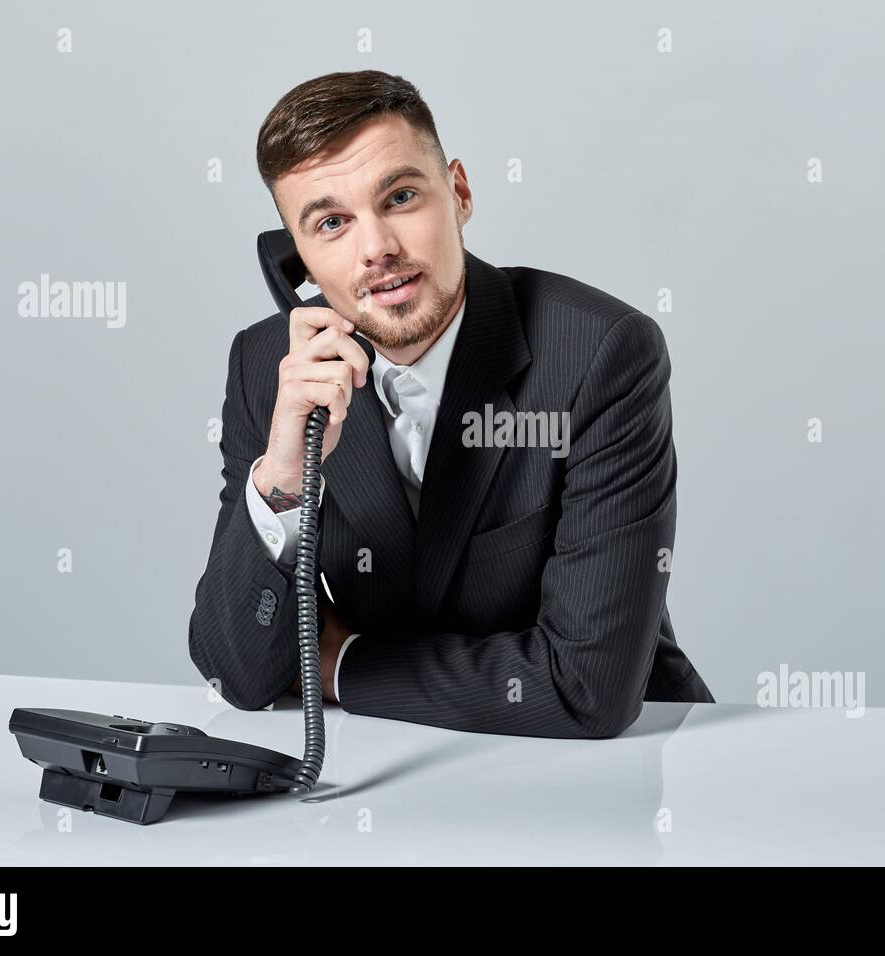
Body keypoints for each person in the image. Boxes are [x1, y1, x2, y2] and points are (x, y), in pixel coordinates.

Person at [188, 69, 714, 738]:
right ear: (297, 261)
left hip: (611, 781)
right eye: (331, 223)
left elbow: (588, 689)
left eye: (401, 197)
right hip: (387, 788)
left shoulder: (599, 354)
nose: (376, 248)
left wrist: (342, 664)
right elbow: (234, 673)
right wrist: (285, 480)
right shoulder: (271, 369)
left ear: (459, 193)